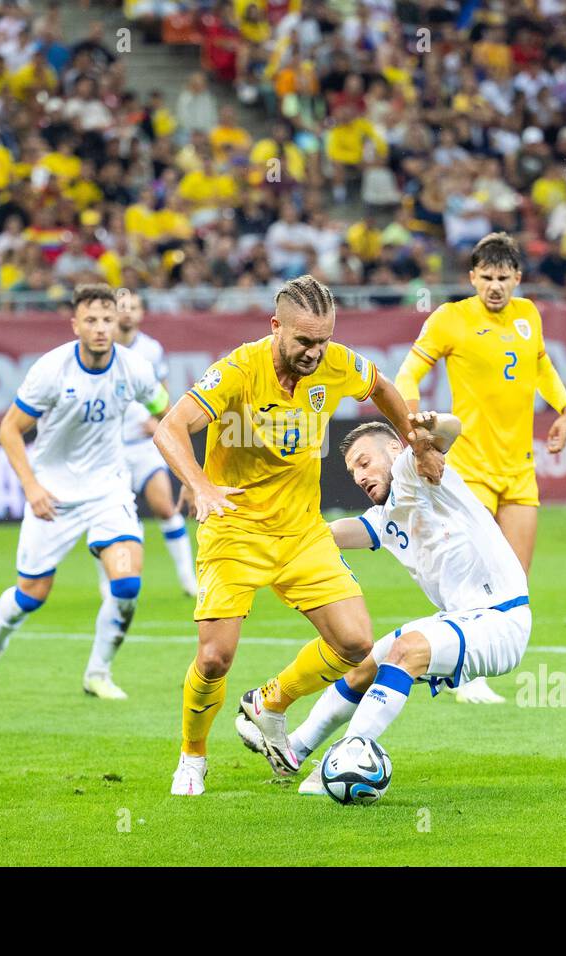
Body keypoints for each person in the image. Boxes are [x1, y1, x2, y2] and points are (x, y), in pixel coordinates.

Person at [152, 274, 445, 795]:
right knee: (215, 657)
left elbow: (380, 387)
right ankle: (192, 757)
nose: (315, 352)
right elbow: (169, 428)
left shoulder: (336, 363)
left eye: (324, 339)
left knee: (356, 643)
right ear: (275, 328)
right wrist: (200, 486)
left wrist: (414, 442)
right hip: (235, 530)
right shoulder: (239, 370)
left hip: (302, 532)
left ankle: (268, 703)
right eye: (304, 340)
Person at [239, 413, 530, 795]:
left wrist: (432, 424)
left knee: (407, 651)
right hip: (462, 619)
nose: (359, 477)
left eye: (364, 462)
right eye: (353, 471)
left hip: (500, 619)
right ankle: (295, 748)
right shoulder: (386, 514)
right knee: (364, 667)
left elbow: (451, 429)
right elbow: (331, 535)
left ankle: (342, 762)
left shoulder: (414, 469)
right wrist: (275, 535)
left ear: (394, 449)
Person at [393, 232, 566, 703]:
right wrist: (413, 425)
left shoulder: (528, 315)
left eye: (504, 278)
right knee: (471, 578)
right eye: (487, 278)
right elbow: (407, 374)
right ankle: (465, 675)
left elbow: (540, 368)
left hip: (519, 469)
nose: (495, 287)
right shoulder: (451, 318)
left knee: (514, 579)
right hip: (470, 469)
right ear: (472, 277)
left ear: (518, 278)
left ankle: (475, 664)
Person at [0, 284, 169, 702]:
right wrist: (32, 488)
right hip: (53, 496)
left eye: (107, 320)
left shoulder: (134, 368)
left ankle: (98, 673)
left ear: (118, 323)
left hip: (109, 492)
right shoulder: (51, 370)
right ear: (75, 324)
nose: (100, 328)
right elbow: (9, 429)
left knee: (127, 585)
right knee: (30, 596)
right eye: (91, 320)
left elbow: (167, 411)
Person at [110, 290, 198, 597]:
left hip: (144, 443)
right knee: (112, 518)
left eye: (133, 306)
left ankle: (189, 580)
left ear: (141, 312)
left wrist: (158, 421)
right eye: (121, 307)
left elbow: (162, 393)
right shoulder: (101, 347)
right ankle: (109, 581)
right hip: (110, 448)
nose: (127, 312)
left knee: (163, 506)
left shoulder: (150, 349)